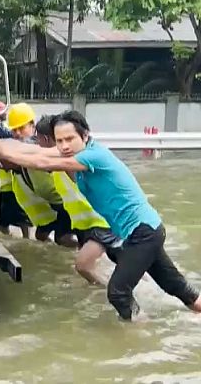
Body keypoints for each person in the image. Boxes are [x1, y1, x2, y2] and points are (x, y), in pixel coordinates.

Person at [0, 110, 201, 321]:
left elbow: (42, 161)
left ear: (85, 136)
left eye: (69, 139)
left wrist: (3, 150)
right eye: (59, 140)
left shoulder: (92, 156)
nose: (64, 145)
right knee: (175, 286)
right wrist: (1, 143)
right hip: (142, 231)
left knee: (117, 292)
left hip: (143, 232)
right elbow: (36, 150)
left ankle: (142, 331)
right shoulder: (75, 151)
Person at [33, 115, 118, 286]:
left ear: (46, 138)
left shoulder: (74, 161)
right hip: (83, 224)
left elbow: (38, 158)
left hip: (99, 221)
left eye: (38, 139)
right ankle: (126, 285)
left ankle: (109, 291)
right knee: (112, 261)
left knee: (83, 266)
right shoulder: (59, 162)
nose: (37, 144)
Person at [0, 104, 75, 246]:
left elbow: (26, 148)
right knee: (41, 235)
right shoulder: (19, 147)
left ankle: (81, 252)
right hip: (51, 204)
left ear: (32, 126)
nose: (17, 133)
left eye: (21, 128)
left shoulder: (39, 146)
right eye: (14, 130)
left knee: (63, 239)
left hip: (65, 203)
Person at [0, 101, 31, 238]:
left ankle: (20, 238)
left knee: (19, 219)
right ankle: (16, 239)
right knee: (6, 221)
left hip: (9, 188)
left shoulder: (4, 133)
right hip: (5, 188)